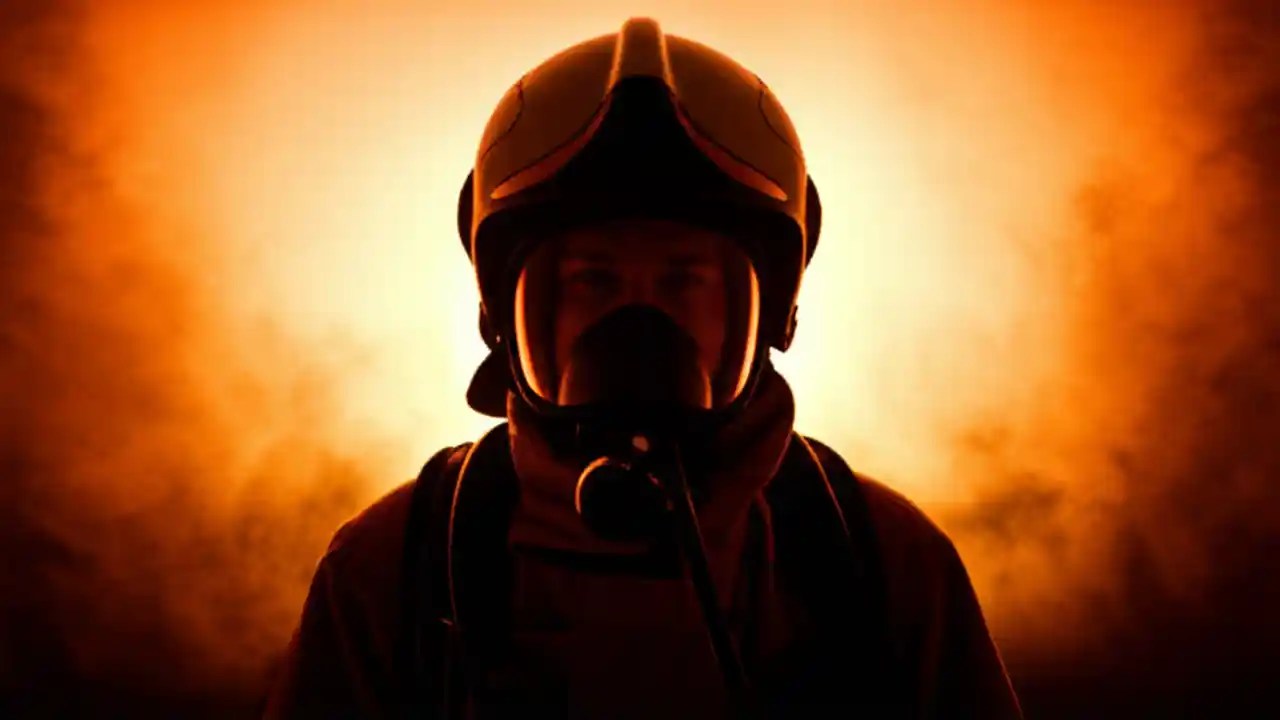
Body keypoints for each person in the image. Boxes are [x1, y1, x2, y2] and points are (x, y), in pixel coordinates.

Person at [264, 17, 1022, 720]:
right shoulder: (393, 569)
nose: (636, 328)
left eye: (683, 280)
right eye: (591, 279)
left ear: (769, 313)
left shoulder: (883, 564)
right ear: (502, 312)